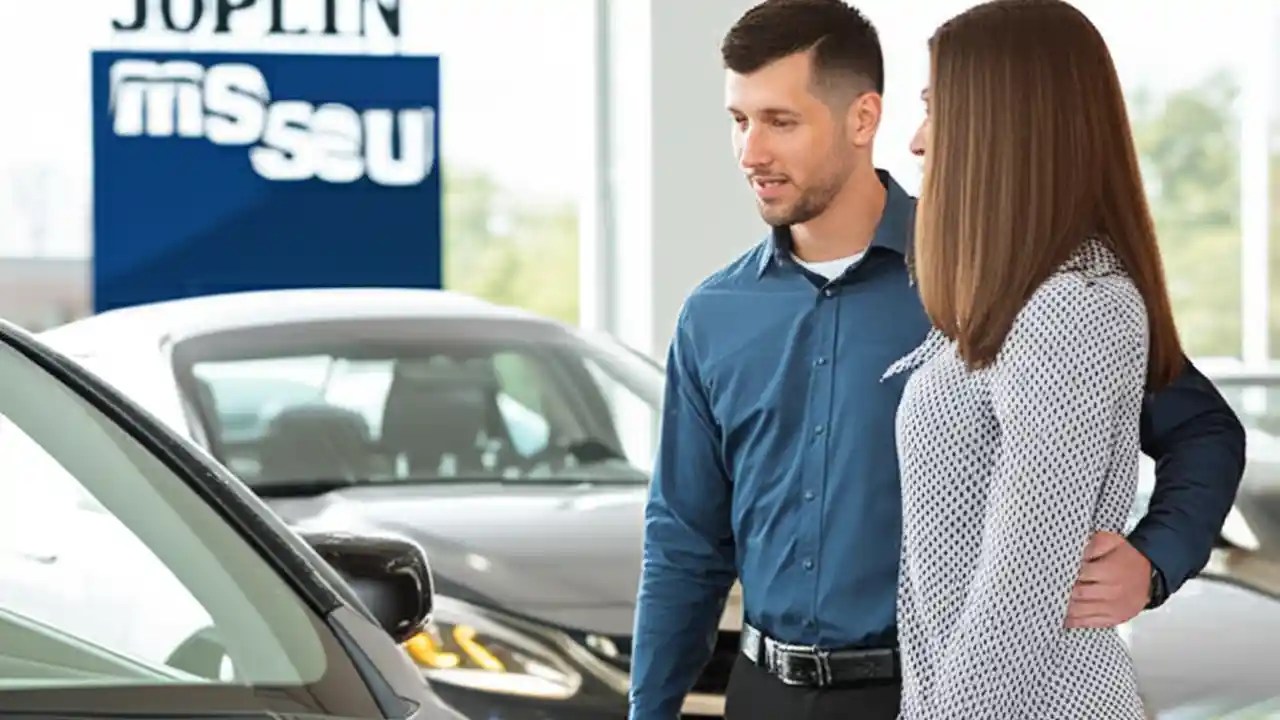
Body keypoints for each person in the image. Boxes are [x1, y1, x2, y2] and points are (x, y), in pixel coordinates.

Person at [628, 1, 1246, 719]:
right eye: (740, 120)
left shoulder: (1002, 276)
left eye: (781, 121)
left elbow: (1201, 431)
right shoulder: (714, 314)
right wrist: (650, 708)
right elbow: (684, 542)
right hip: (768, 690)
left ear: (863, 119)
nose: (751, 152)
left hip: (935, 685)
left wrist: (1155, 558)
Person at [889, 0, 1198, 717]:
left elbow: (1020, 593)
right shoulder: (1017, 306)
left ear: (1000, 128)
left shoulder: (1073, 308)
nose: (916, 141)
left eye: (936, 109)